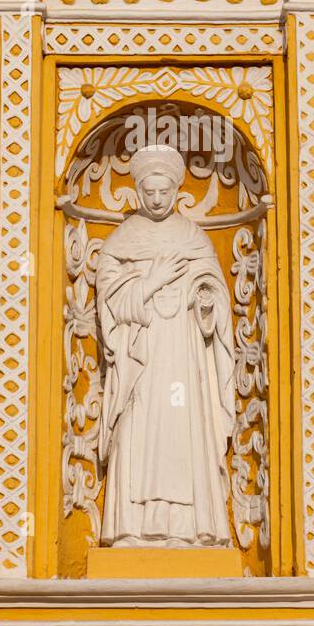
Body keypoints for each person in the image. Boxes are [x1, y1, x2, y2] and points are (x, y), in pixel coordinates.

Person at [95, 143, 236, 547]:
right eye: (149, 192)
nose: (156, 200)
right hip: (142, 355)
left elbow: (214, 293)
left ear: (176, 191)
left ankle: (190, 528)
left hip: (183, 352)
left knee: (182, 433)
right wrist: (151, 282)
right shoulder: (123, 240)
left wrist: (207, 303)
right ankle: (132, 527)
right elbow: (111, 302)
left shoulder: (192, 237)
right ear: (138, 191)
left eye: (164, 192)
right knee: (140, 431)